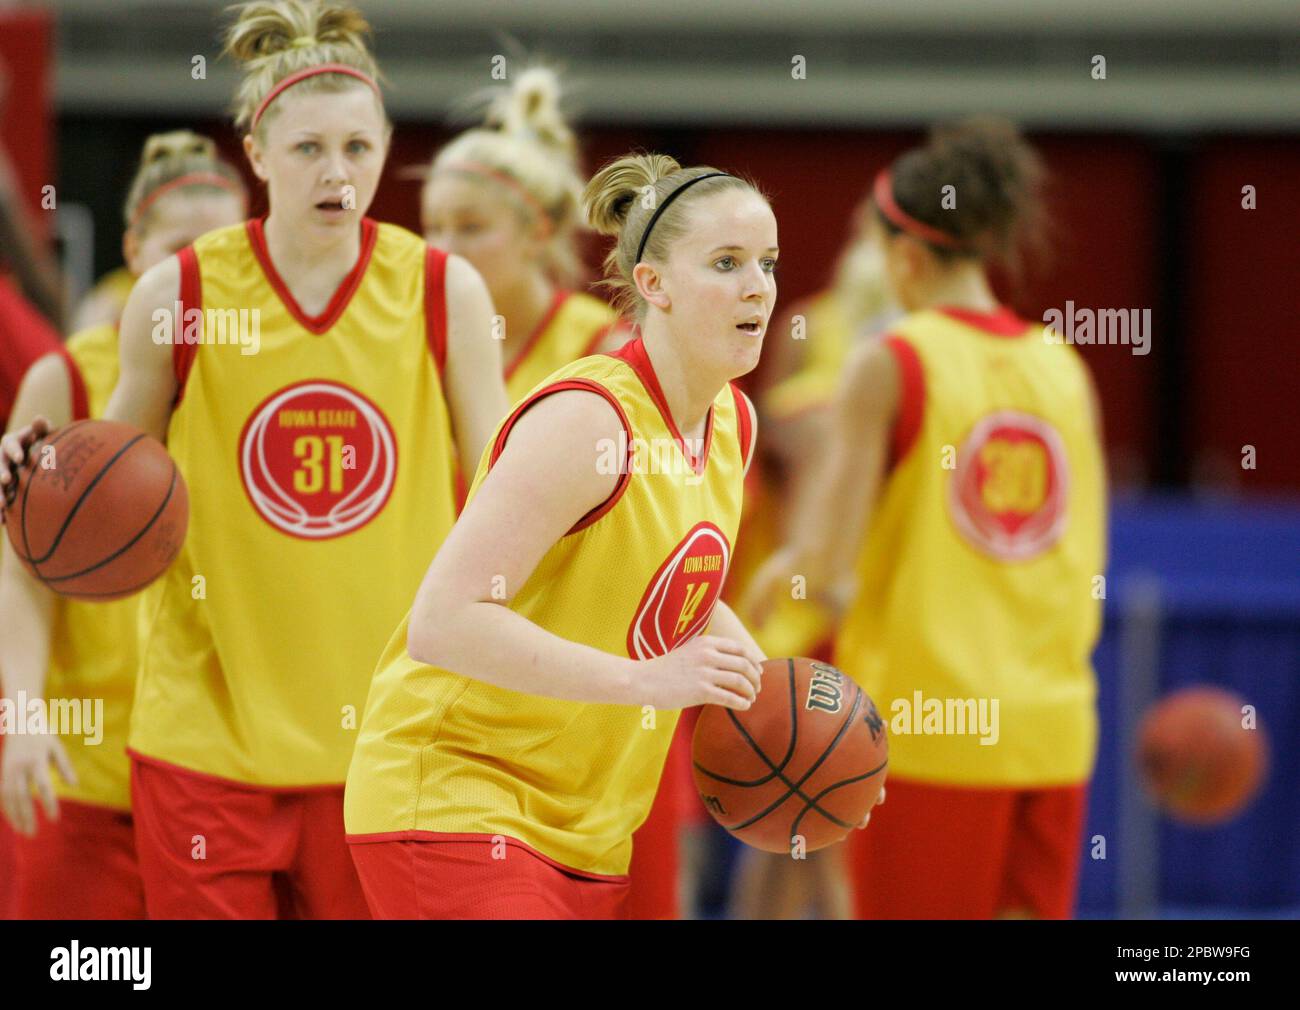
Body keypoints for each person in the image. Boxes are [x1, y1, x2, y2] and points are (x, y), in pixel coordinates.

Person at [2, 0, 506, 919]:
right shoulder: (182, 292)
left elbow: (507, 499)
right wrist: (39, 473)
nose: (337, 173)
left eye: (358, 148)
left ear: (387, 150)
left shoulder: (441, 291)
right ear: (258, 154)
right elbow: (106, 485)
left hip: (387, 744)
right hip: (207, 744)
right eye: (309, 149)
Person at [345, 153, 794, 919]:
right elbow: (443, 622)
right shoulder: (590, 419)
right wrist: (645, 682)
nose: (758, 285)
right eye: (727, 263)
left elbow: (672, 584)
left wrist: (778, 709)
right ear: (653, 285)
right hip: (460, 797)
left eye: (767, 263)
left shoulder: (732, 424)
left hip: (585, 825)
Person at [744, 117, 1106, 920]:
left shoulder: (894, 358)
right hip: (1053, 728)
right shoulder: (1064, 366)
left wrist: (776, 584)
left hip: (928, 732)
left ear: (904, 255)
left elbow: (826, 563)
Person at [0, 130, 246, 919]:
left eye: (223, 248)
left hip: (236, 775)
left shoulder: (289, 375)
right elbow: (18, 569)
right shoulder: (66, 374)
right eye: (179, 249)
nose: (199, 272)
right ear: (135, 252)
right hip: (87, 767)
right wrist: (26, 717)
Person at [420, 65, 627, 405]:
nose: (445, 249)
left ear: (537, 233)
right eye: (434, 227)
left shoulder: (605, 350)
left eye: (471, 227)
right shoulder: (411, 335)